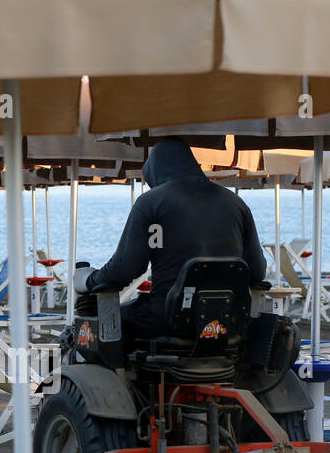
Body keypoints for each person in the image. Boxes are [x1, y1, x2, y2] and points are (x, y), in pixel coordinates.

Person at [72, 136, 267, 340]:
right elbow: (257, 272)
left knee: (97, 323)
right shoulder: (236, 204)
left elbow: (125, 269)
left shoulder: (151, 202)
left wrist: (89, 279)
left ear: (154, 170)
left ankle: (120, 372)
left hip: (166, 319)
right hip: (228, 320)